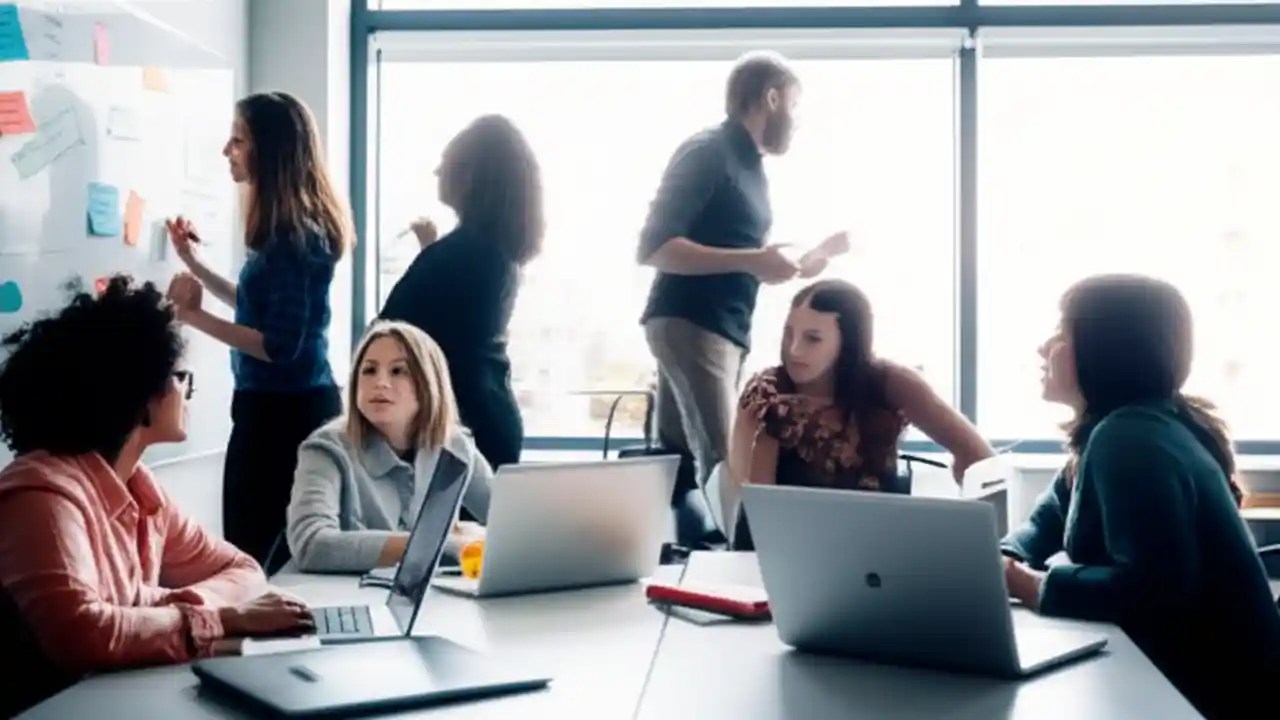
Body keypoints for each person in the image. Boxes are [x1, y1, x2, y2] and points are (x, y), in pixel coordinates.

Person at [0, 276, 313, 716]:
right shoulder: (43, 493)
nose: (186, 392)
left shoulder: (140, 488)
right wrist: (223, 621)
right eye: (179, 377)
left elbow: (243, 570)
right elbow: (84, 633)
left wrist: (156, 605)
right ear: (139, 396)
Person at [1000, 273, 1280, 719]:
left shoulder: (1131, 438)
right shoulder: (1115, 430)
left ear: (1105, 348)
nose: (1043, 347)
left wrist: (1028, 584)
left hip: (1209, 700)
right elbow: (1043, 524)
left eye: (1060, 332)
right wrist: (997, 559)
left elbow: (1154, 596)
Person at [637, 51, 848, 537]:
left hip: (718, 324)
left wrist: (807, 258)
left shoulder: (749, 165)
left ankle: (679, 567)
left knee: (678, 460)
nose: (796, 122)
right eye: (794, 106)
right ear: (771, 98)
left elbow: (740, 253)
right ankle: (746, 574)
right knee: (728, 457)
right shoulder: (709, 150)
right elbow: (656, 247)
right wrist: (754, 260)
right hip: (693, 322)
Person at [166, 91, 351, 571]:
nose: (227, 150)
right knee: (260, 557)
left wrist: (193, 317)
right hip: (284, 410)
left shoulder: (292, 237)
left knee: (257, 558)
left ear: (269, 149)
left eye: (238, 140)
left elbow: (278, 346)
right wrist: (195, 265)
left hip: (283, 420)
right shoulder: (287, 231)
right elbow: (259, 312)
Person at [728, 280, 994, 546]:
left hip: (876, 548)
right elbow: (754, 503)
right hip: (782, 545)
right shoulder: (768, 392)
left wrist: (978, 539)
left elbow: (981, 458)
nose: (794, 349)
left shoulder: (892, 383)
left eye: (813, 338)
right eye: (788, 334)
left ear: (849, 341)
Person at [379, 114, 543, 472]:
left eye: (446, 164)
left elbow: (391, 335)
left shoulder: (464, 253)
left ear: (471, 176)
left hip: (459, 430)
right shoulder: (491, 249)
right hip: (482, 417)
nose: (437, 172)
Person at [287, 321, 493, 573]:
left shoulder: (455, 445)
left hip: (428, 600)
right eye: (369, 370)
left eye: (398, 371)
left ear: (429, 383)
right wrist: (445, 546)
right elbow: (311, 545)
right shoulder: (326, 449)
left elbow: (510, 524)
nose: (380, 382)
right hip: (343, 595)